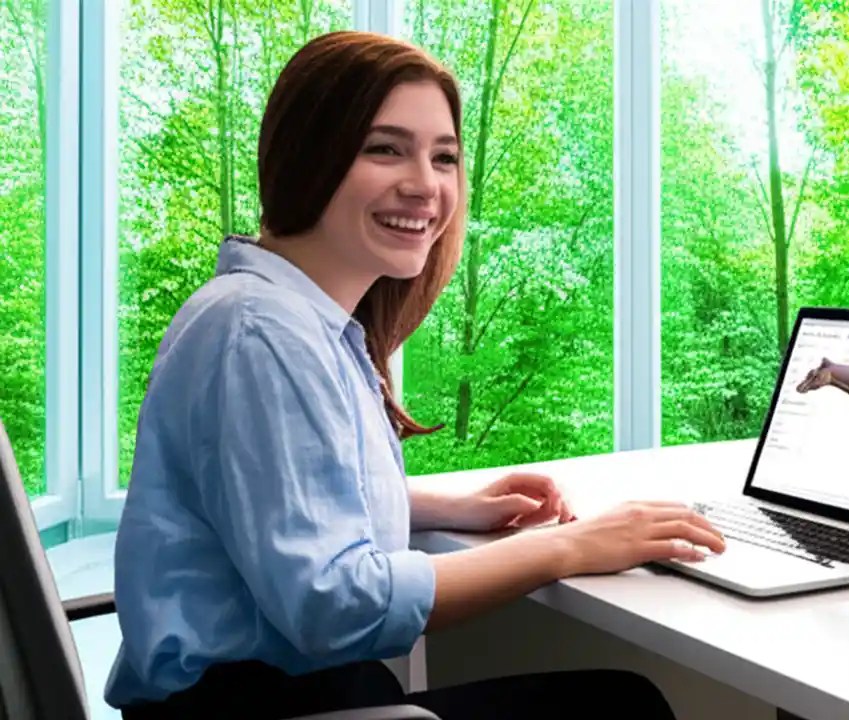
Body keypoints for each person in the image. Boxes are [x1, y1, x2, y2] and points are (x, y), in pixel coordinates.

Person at [103, 30, 726, 720]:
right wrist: (570, 546)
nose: (426, 186)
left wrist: (449, 507)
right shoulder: (262, 333)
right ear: (308, 155)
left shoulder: (290, 319)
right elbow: (336, 606)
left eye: (444, 157)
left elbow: (284, 492)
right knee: (621, 707)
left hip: (279, 697)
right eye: (385, 148)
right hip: (263, 708)